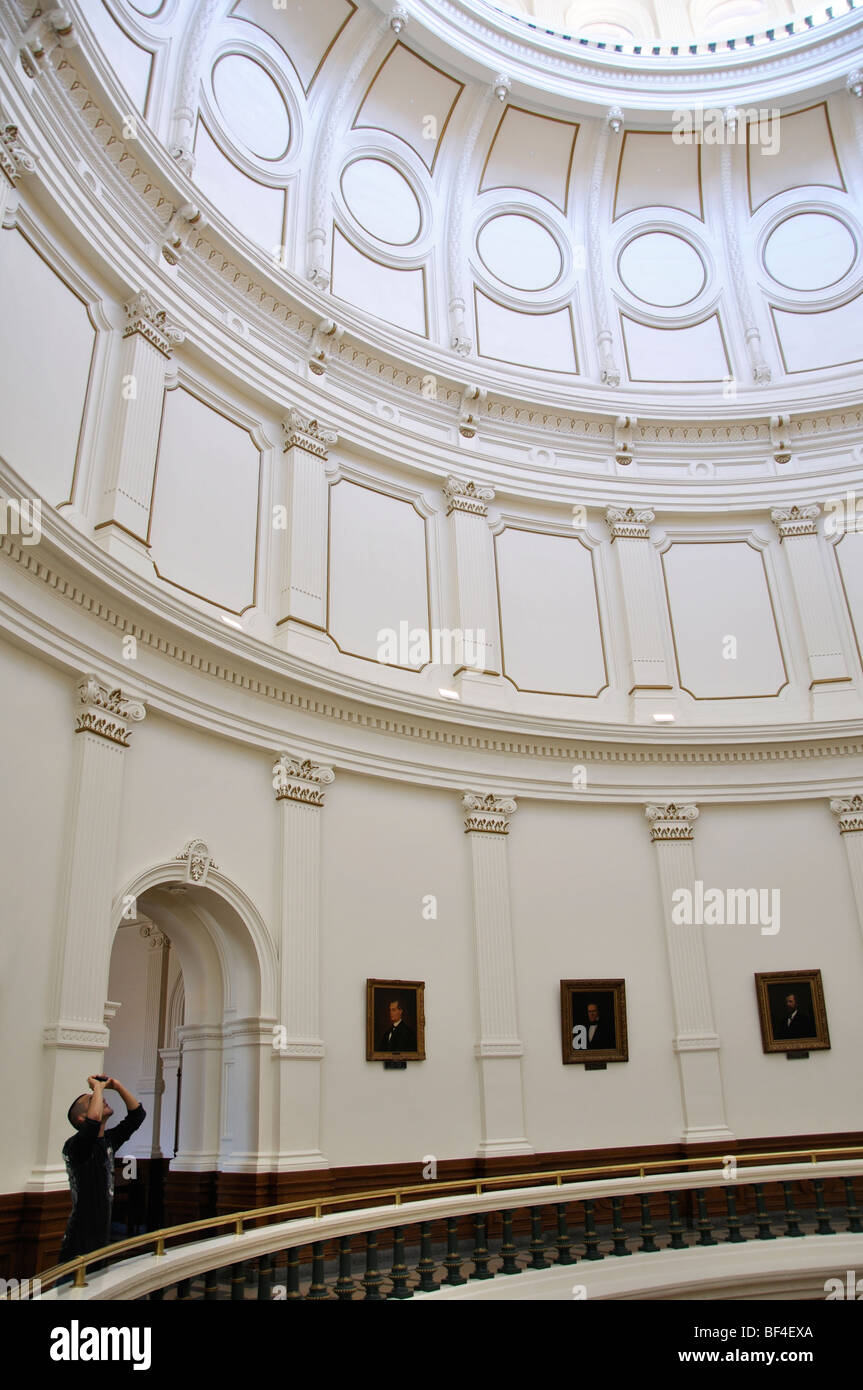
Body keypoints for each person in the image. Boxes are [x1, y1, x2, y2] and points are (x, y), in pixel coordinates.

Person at [59, 1075, 145, 1265]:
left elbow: (137, 1116)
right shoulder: (75, 1147)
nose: (101, 1098)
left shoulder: (108, 1141)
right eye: (92, 1100)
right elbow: (92, 1123)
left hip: (99, 1240)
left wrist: (118, 1086)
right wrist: (97, 1088)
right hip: (78, 1244)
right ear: (82, 1118)